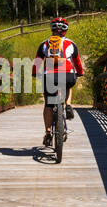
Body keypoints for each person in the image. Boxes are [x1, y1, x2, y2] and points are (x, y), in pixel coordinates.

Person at [32, 17, 85, 147]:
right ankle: (68, 104)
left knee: (48, 105)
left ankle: (48, 133)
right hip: (67, 74)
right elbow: (77, 62)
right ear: (65, 31)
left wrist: (34, 73)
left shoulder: (44, 44)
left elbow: (37, 62)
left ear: (52, 29)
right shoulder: (71, 44)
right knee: (68, 85)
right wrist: (80, 72)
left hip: (49, 76)